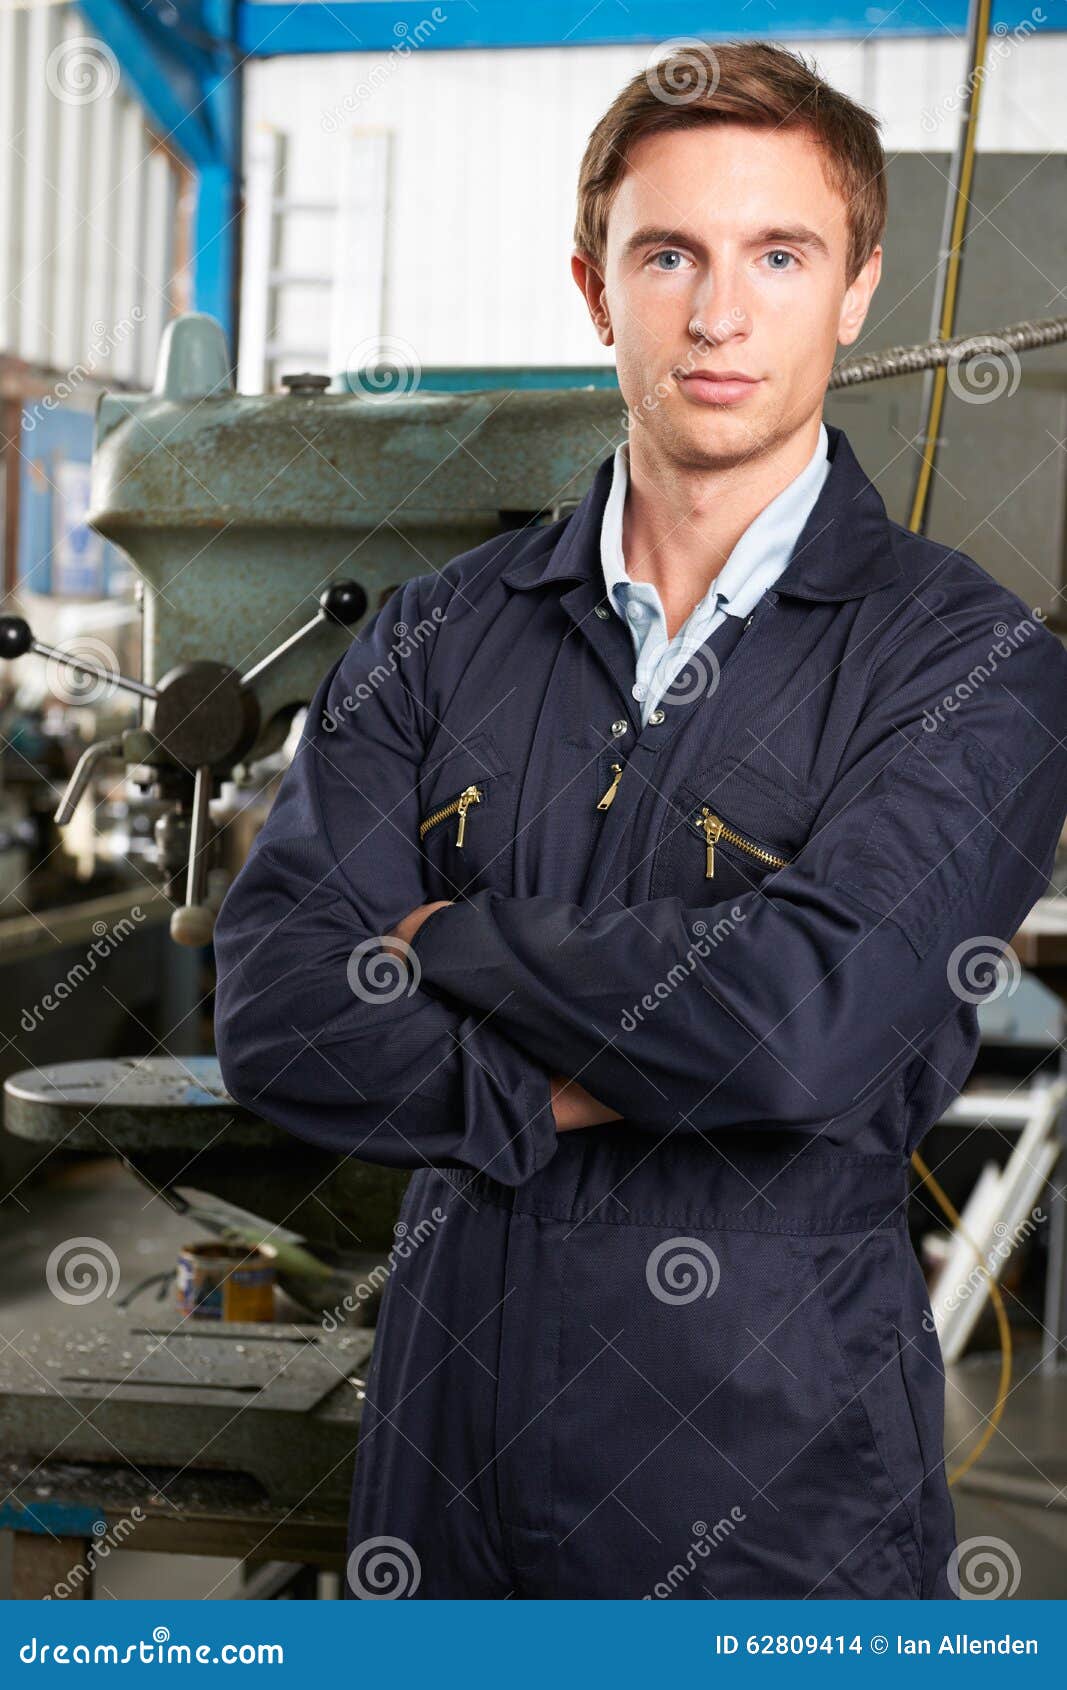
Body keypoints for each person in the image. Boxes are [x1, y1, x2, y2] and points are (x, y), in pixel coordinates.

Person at [213, 40, 1067, 1599]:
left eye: (780, 255)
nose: (720, 313)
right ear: (596, 288)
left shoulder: (973, 663)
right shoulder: (437, 632)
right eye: (667, 252)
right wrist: (591, 1073)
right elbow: (274, 1010)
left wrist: (443, 937)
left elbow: (808, 1023)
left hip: (773, 1512)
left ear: (858, 287)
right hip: (440, 1489)